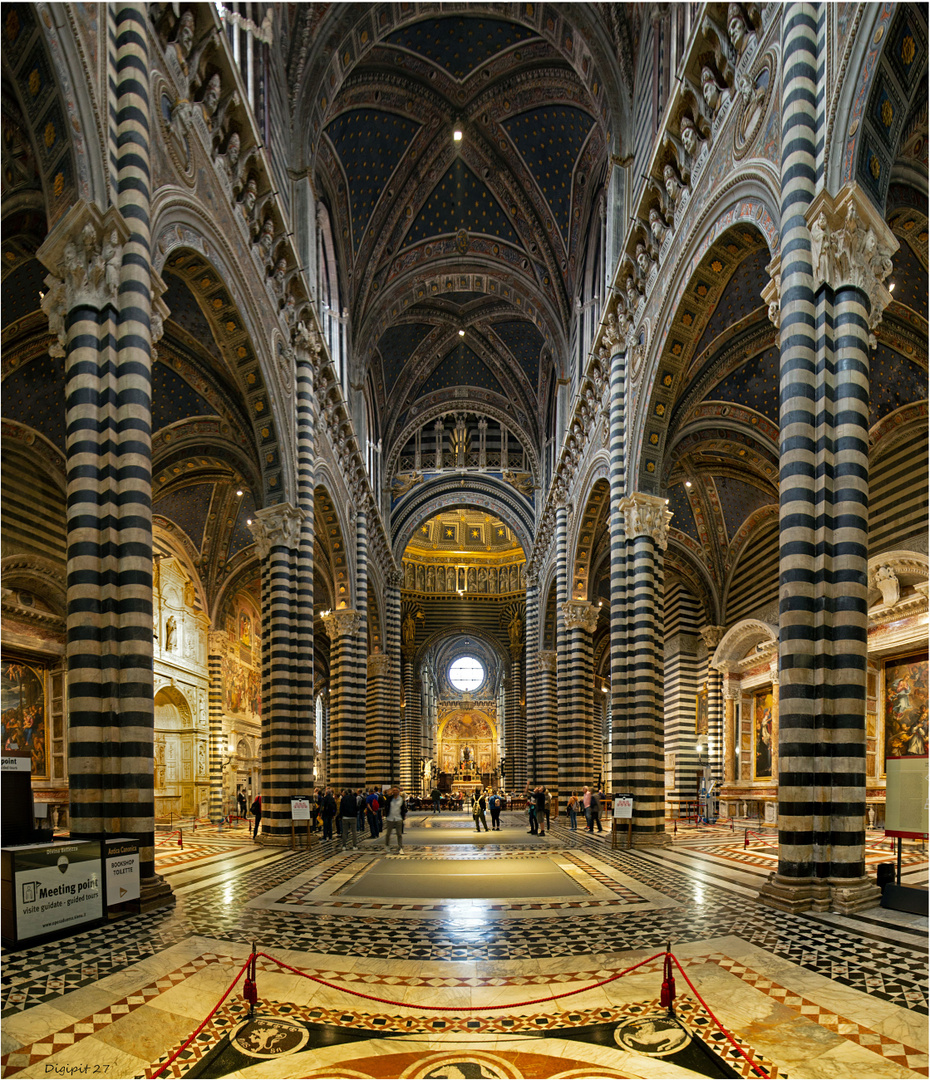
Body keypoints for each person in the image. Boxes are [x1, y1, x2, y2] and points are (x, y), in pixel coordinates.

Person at [384, 787, 407, 854]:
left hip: (398, 818)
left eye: (396, 790)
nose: (395, 791)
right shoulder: (389, 799)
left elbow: (403, 809)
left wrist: (403, 817)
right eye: (393, 790)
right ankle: (387, 845)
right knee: (388, 833)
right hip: (390, 818)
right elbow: (386, 805)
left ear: (399, 791)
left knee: (399, 834)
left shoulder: (401, 799)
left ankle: (400, 847)